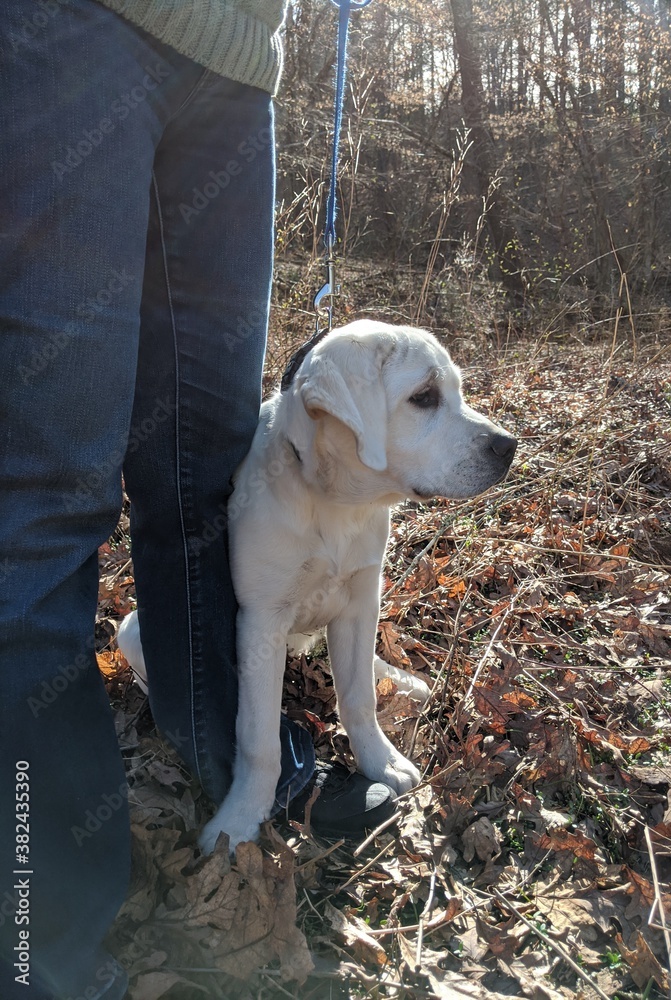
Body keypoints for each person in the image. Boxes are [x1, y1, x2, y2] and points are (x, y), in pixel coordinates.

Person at [0, 3, 396, 997]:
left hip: (235, 63)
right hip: (70, 31)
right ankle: (40, 944)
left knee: (206, 482)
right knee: (51, 492)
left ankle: (250, 777)